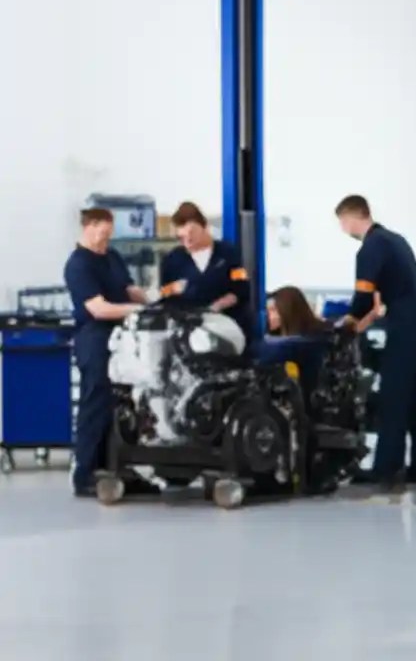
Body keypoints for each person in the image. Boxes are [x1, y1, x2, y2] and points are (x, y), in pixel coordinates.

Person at [334, 195, 416, 491]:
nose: (343, 228)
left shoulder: (370, 247)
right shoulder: (395, 240)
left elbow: (363, 297)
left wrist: (348, 323)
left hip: (402, 326)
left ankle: (386, 468)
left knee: (394, 396)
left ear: (352, 217)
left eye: (342, 222)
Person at [62, 208, 153, 497]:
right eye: (102, 233)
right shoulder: (78, 265)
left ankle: (124, 466)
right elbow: (98, 308)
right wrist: (136, 310)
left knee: (129, 402)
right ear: (88, 227)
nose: (106, 240)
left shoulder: (111, 257)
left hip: (126, 337)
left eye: (110, 235)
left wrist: (154, 300)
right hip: (96, 338)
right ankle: (85, 472)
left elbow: (129, 289)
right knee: (96, 400)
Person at [159, 201, 253, 342]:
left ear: (205, 227)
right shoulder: (172, 260)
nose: (188, 240)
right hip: (188, 334)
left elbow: (241, 289)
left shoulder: (228, 254)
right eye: (182, 237)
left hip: (227, 330)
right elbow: (163, 294)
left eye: (191, 233)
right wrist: (175, 288)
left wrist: (215, 308)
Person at [255, 286, 331, 397]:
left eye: (273, 310)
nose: (269, 316)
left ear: (287, 310)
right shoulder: (276, 336)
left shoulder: (308, 341)